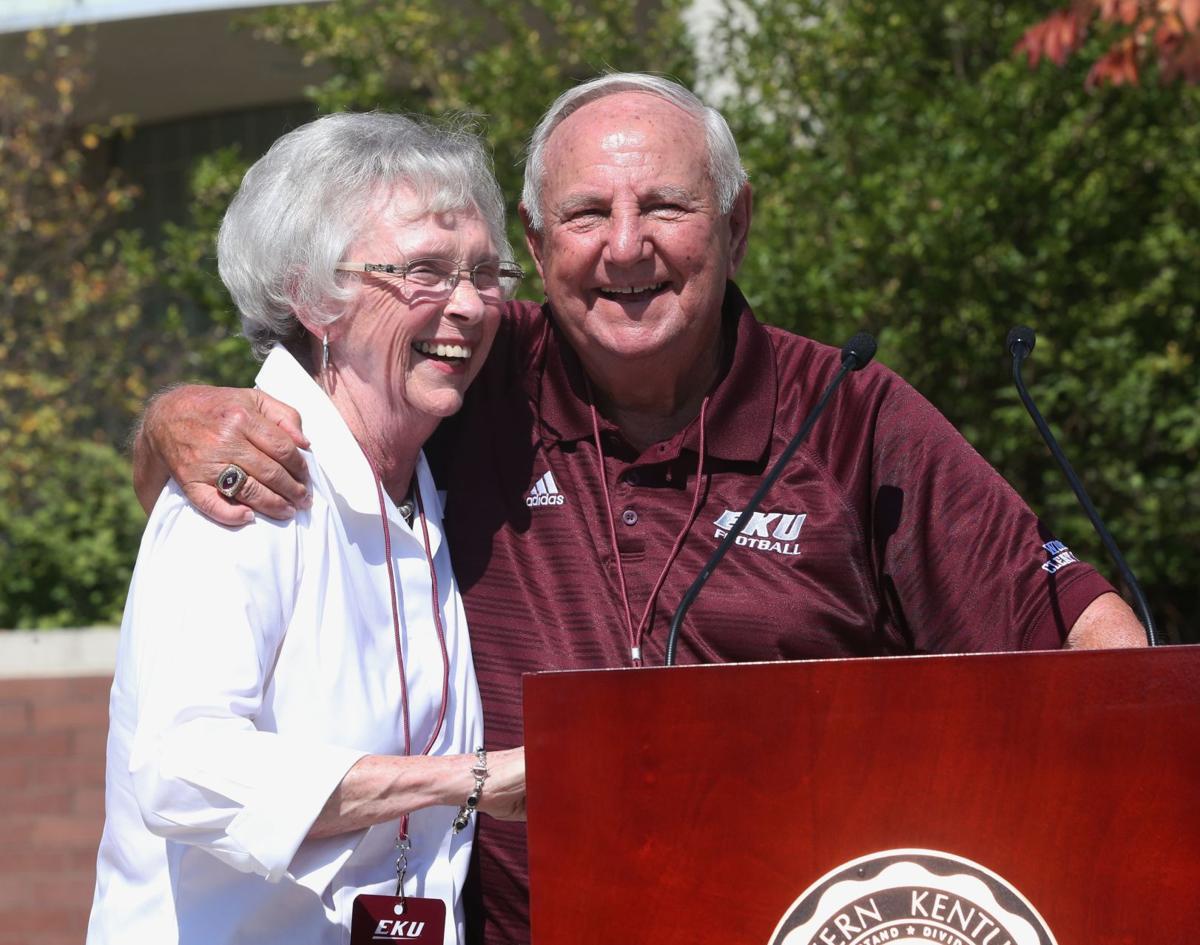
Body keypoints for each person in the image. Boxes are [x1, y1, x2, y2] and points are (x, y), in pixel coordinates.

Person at [131, 75, 1147, 945]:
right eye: (584, 215)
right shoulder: (473, 364)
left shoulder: (851, 413)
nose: (625, 248)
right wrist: (172, 422)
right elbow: (300, 400)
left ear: (737, 225)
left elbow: (1062, 626)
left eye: (665, 205)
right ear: (537, 240)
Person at [87, 112, 528, 945]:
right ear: (314, 295)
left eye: (485, 271)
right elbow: (182, 769)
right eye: (426, 272)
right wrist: (464, 778)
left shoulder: (428, 476)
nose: (468, 305)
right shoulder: (251, 482)